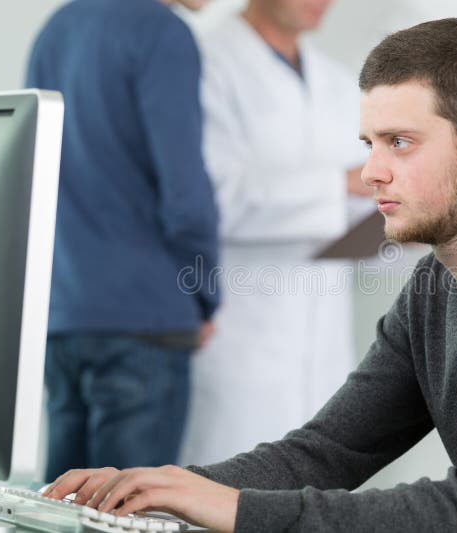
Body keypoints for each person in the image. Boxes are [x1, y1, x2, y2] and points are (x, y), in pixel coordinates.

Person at [42, 17, 457, 532]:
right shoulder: (434, 287)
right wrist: (167, 486)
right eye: (367, 144)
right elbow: (323, 453)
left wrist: (235, 510)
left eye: (399, 143)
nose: (372, 171)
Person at [25, 0, 219, 481]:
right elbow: (186, 195)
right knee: (130, 511)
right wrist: (204, 292)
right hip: (143, 319)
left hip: (64, 317)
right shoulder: (162, 31)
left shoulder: (56, 28)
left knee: (63, 510)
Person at [179, 0, 371, 465]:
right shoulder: (205, 62)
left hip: (325, 352)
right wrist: (340, 185)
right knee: (220, 498)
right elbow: (215, 197)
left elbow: (362, 205)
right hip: (239, 344)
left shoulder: (339, 83)